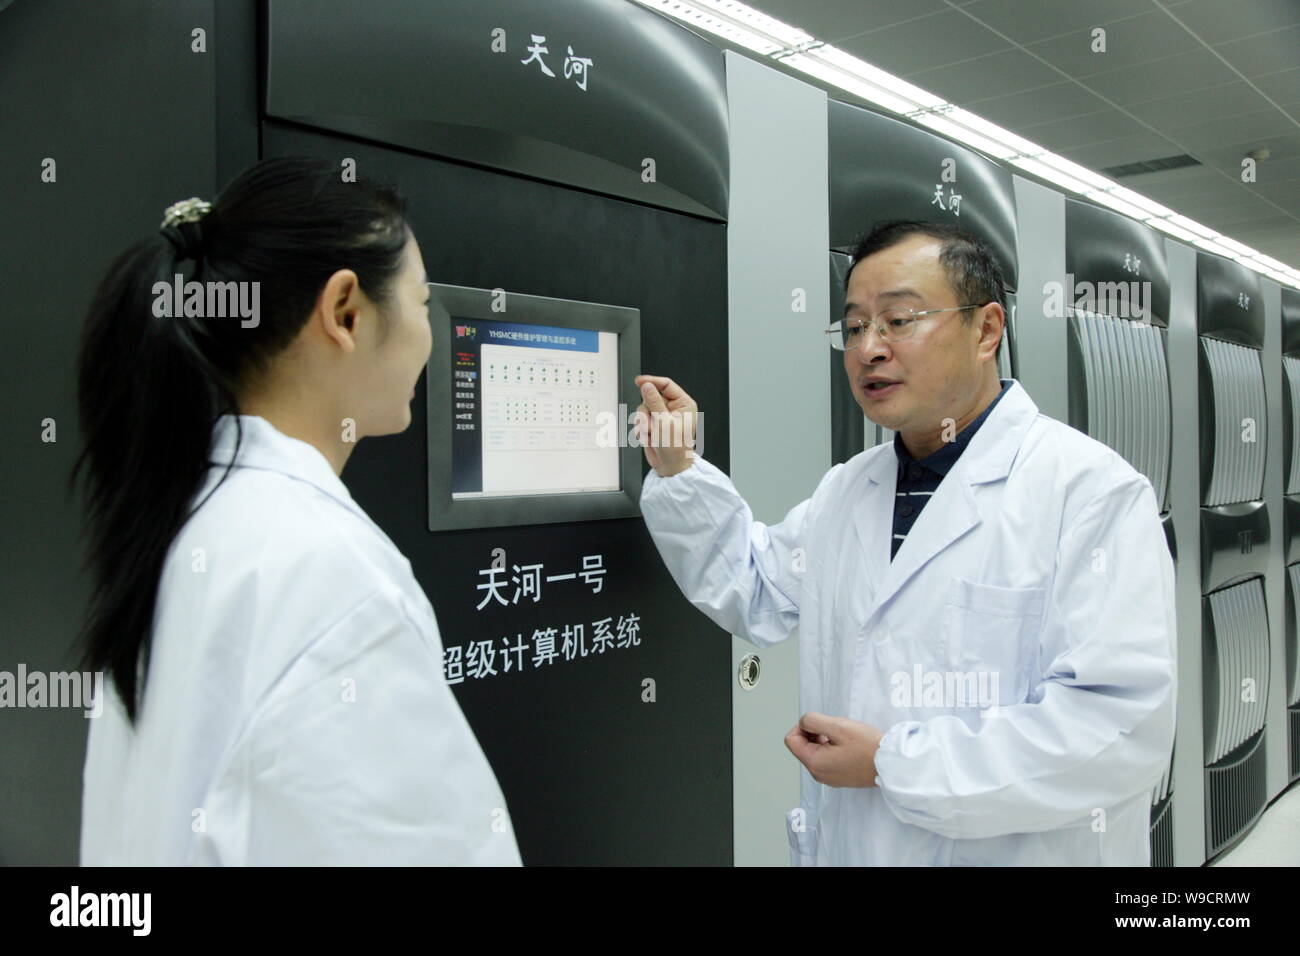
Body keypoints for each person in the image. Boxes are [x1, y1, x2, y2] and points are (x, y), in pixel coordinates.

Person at [634, 220, 1177, 866]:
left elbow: (1115, 730)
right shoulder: (847, 492)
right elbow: (754, 587)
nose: (870, 349)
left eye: (900, 320)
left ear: (986, 330)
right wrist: (679, 470)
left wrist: (895, 764)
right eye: (855, 326)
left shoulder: (1089, 494)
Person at [73, 156, 521, 865]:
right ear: (346, 312)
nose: (430, 333)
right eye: (421, 299)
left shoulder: (186, 521)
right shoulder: (332, 578)